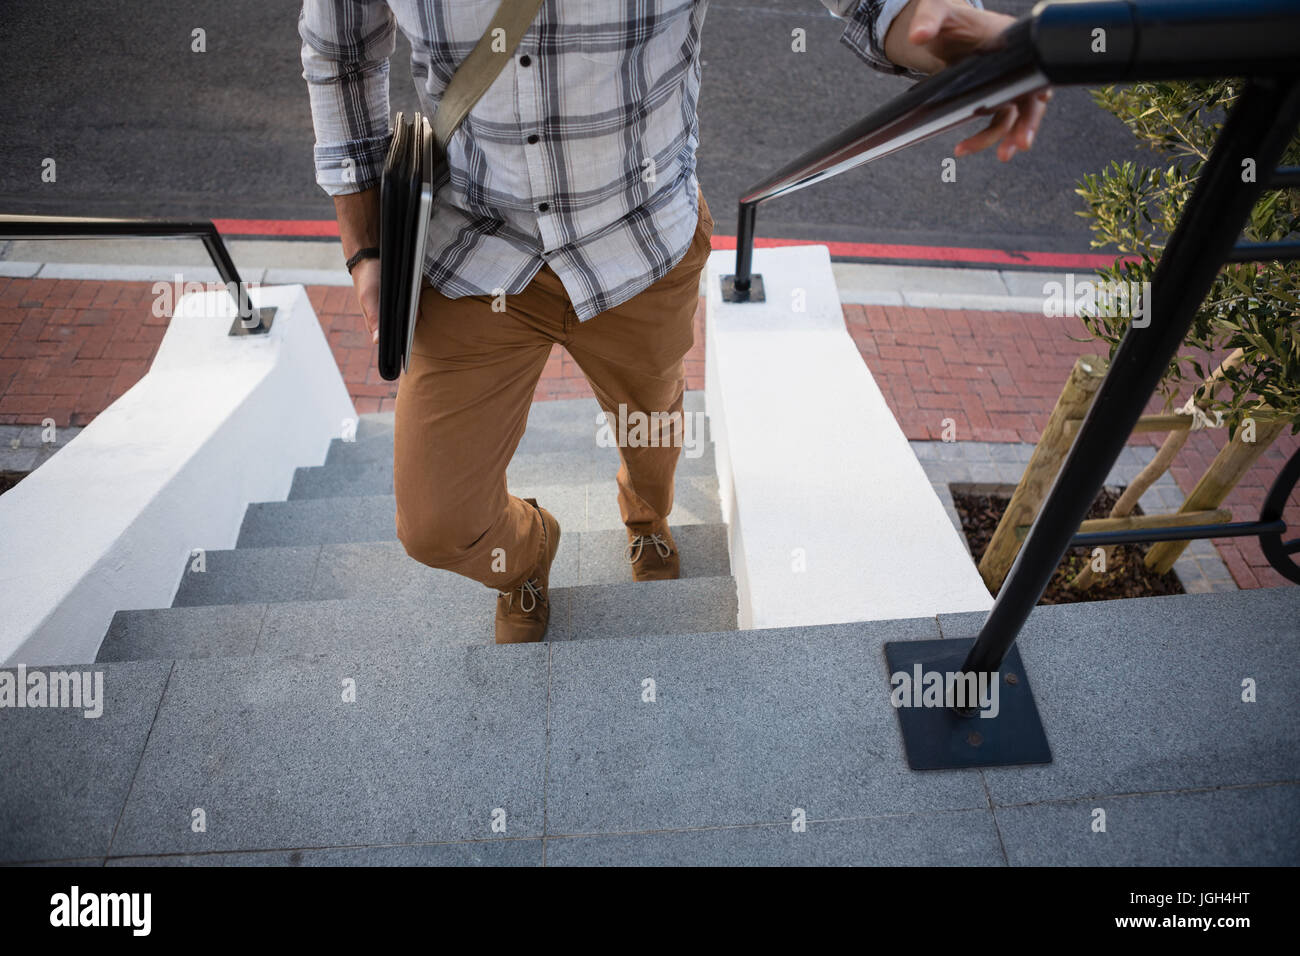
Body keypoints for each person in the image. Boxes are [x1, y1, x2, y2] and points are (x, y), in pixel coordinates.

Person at [300, 0, 1051, 644]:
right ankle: (526, 555)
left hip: (640, 245)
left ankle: (645, 516)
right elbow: (339, 52)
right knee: (434, 523)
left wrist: (916, 16)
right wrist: (364, 243)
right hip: (474, 249)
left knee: (652, 422)